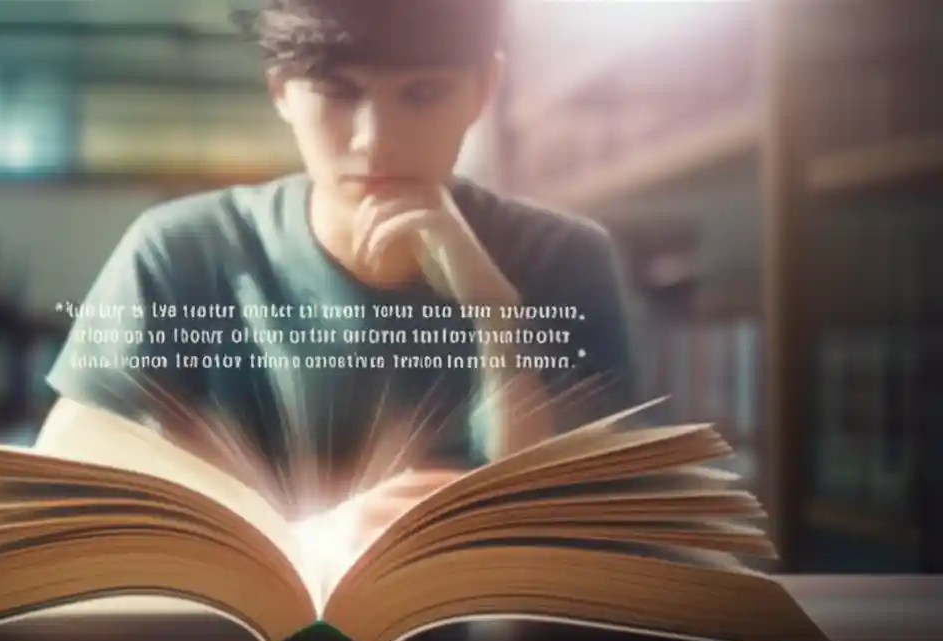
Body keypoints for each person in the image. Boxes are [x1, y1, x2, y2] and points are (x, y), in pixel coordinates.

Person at [36, 0, 637, 518]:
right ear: (280, 92)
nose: (374, 140)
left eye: (422, 95)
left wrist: (495, 315)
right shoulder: (182, 247)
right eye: (336, 93)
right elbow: (65, 461)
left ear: (484, 90)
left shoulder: (564, 258)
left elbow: (568, 520)